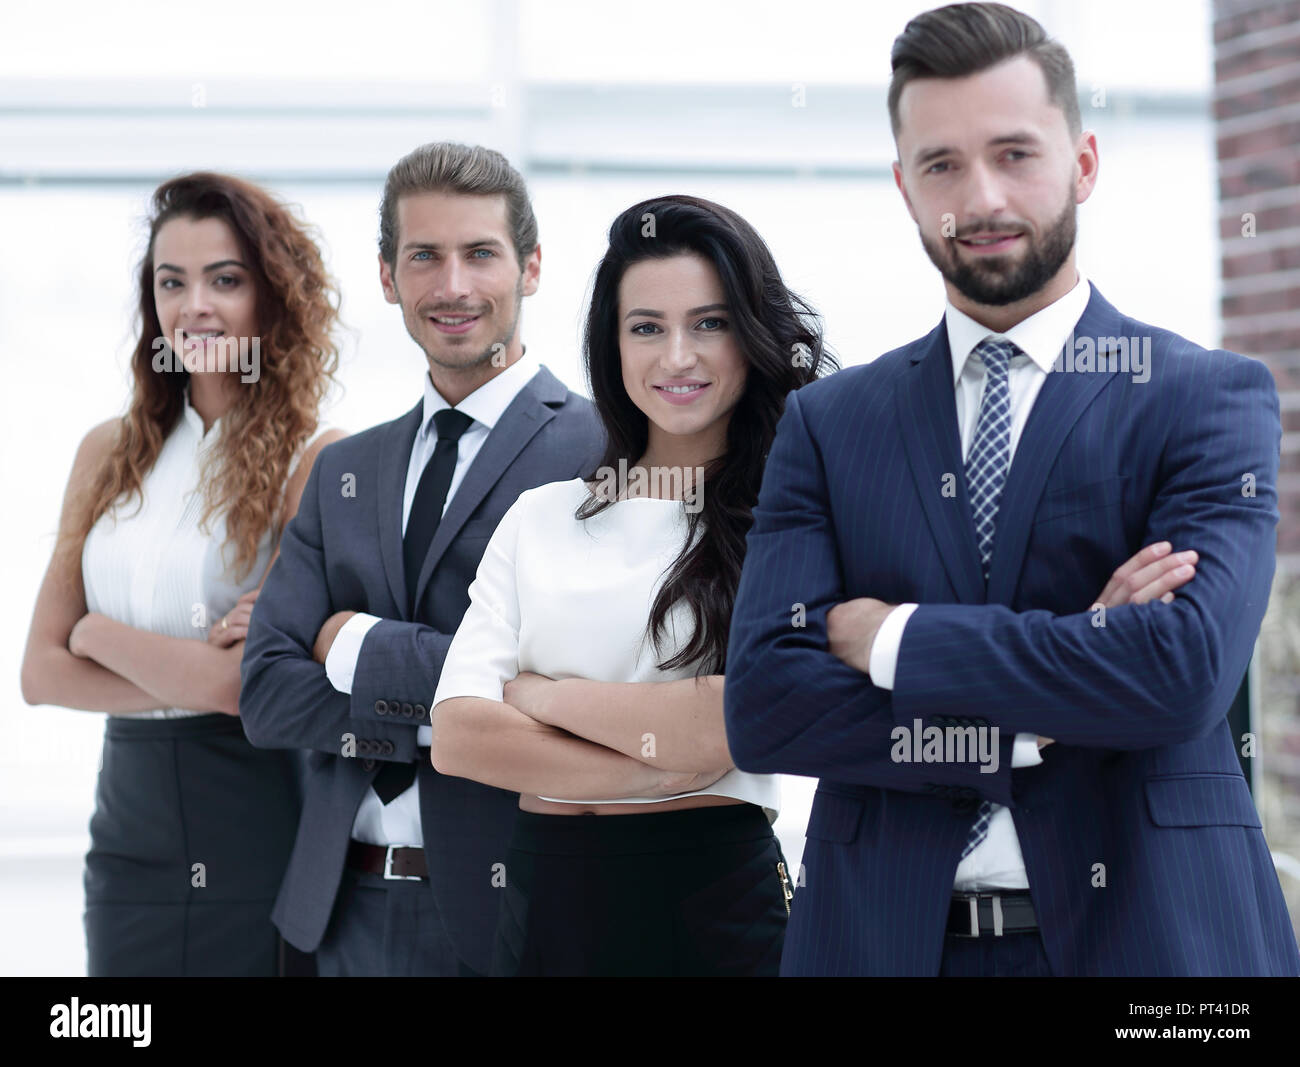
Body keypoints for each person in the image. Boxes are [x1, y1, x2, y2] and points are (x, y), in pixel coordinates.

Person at [725, 1, 1300, 977]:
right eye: (941, 164)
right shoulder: (829, 425)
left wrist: (891, 639)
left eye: (1014, 153)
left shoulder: (1205, 398)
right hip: (882, 946)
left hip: (1156, 949)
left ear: (1081, 163)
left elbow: (1182, 672)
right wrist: (1056, 690)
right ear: (904, 187)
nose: (980, 195)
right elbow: (771, 707)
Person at [431, 194, 836, 976]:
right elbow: (459, 737)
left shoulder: (783, 517)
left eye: (710, 324)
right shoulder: (540, 515)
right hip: (542, 899)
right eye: (646, 327)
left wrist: (540, 695)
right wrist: (655, 764)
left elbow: (726, 725)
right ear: (611, 345)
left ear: (751, 340)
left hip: (706, 896)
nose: (677, 356)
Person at [238, 142, 604, 977]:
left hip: (513, 913)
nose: (453, 286)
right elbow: (265, 693)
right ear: (386, 276)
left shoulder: (602, 453)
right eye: (424, 257)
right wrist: (470, 709)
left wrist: (356, 648)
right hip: (338, 914)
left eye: (480, 253)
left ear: (533, 266)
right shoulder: (345, 470)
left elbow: (579, 688)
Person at [20, 171, 344, 976]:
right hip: (126, 831)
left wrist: (96, 633)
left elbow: (243, 690)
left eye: (224, 279)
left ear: (272, 297)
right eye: (173, 281)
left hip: (253, 820)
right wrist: (191, 670)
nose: (194, 304)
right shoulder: (106, 451)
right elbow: (40, 671)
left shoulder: (318, 460)